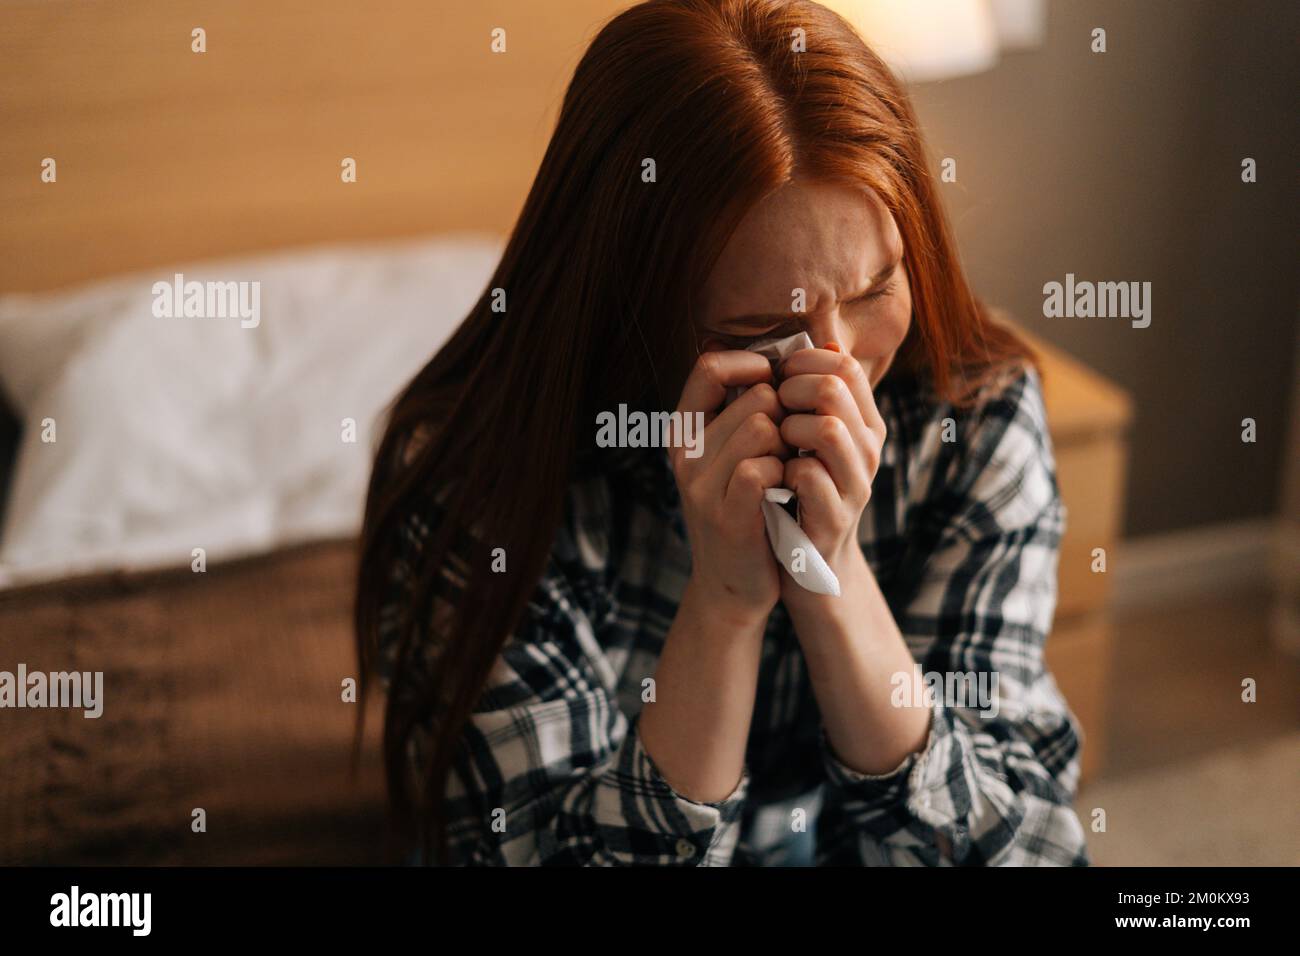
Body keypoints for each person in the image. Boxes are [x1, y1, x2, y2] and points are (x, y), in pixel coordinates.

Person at [354, 0, 1090, 866]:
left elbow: (1030, 851)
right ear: (632, 310)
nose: (839, 374)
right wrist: (726, 606)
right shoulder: (485, 486)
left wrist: (832, 573)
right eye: (753, 332)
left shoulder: (975, 421)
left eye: (872, 291)